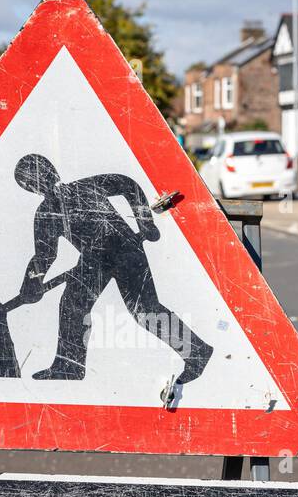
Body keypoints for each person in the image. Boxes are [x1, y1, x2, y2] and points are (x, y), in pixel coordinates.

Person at [14, 153, 213, 384]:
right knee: (72, 304)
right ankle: (69, 366)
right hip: (94, 259)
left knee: (144, 310)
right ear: (30, 187)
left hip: (125, 248)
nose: (41, 181)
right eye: (34, 180)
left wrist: (144, 222)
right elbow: (45, 254)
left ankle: (196, 352)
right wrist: (31, 285)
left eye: (41, 174)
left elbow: (127, 184)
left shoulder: (85, 187)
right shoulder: (46, 213)